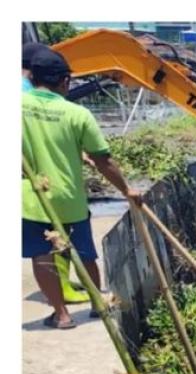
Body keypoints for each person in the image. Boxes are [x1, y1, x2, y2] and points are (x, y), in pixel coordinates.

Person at [21, 47, 137, 329]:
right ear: (65, 81)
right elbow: (103, 159)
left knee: (42, 255)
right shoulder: (77, 113)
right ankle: (98, 305)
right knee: (85, 253)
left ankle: (61, 315)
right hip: (70, 198)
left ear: (32, 76)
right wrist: (127, 189)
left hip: (33, 199)